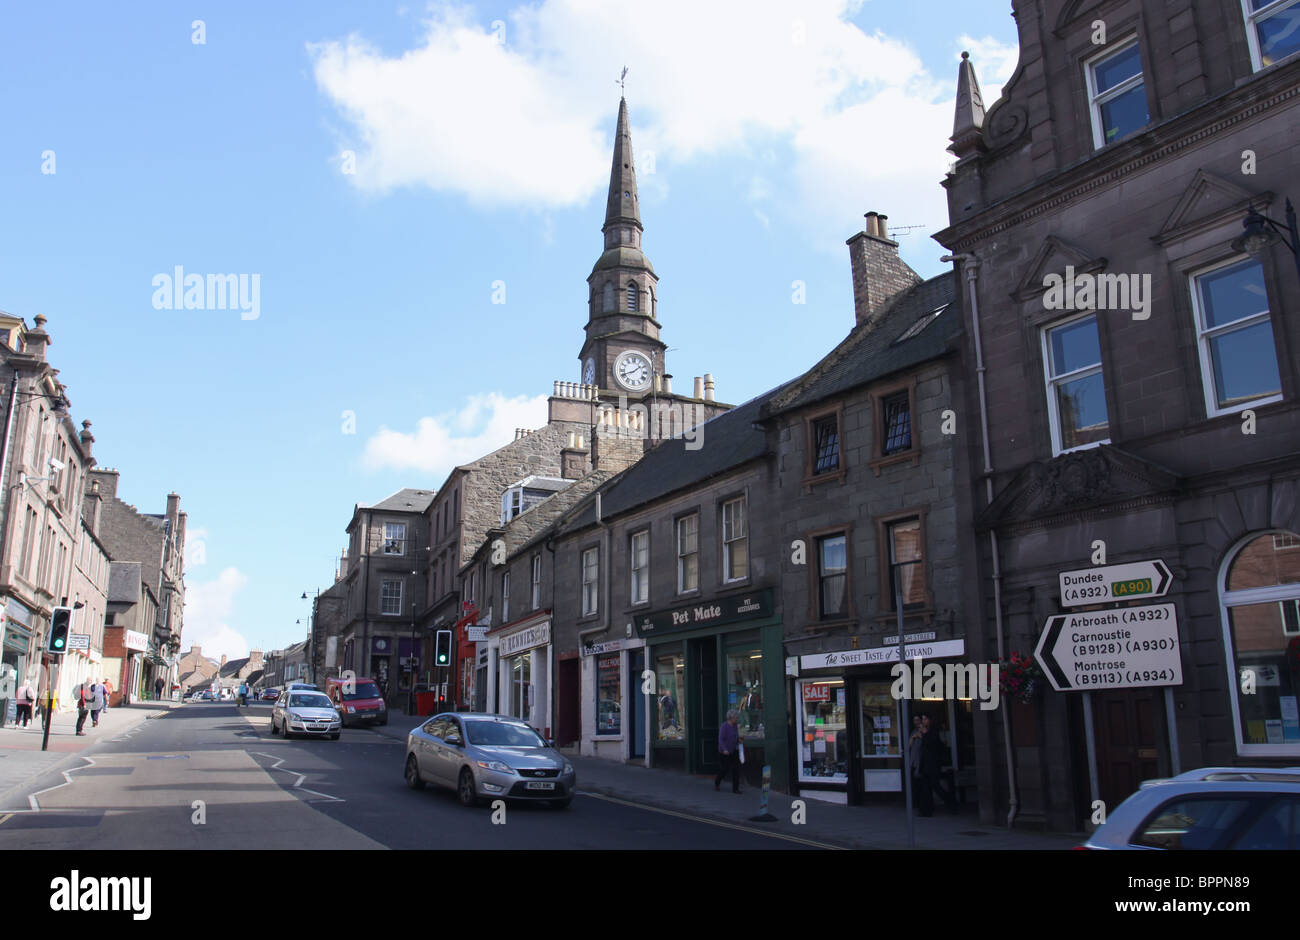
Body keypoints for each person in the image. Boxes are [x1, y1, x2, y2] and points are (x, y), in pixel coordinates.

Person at [916, 714, 957, 816]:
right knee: (926, 788)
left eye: (925, 719)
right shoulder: (926, 732)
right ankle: (926, 810)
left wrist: (924, 734)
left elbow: (932, 745)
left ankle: (951, 804)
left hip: (933, 765)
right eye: (923, 719)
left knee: (935, 786)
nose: (923, 721)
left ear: (930, 720)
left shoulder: (933, 732)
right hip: (926, 764)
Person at [714, 709, 743, 794]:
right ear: (731, 718)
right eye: (735, 717)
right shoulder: (724, 726)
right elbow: (721, 739)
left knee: (736, 769)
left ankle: (735, 788)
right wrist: (724, 749)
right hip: (724, 752)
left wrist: (738, 740)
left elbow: (735, 737)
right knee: (725, 769)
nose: (737, 719)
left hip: (734, 750)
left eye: (737, 717)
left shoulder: (735, 726)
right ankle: (717, 782)